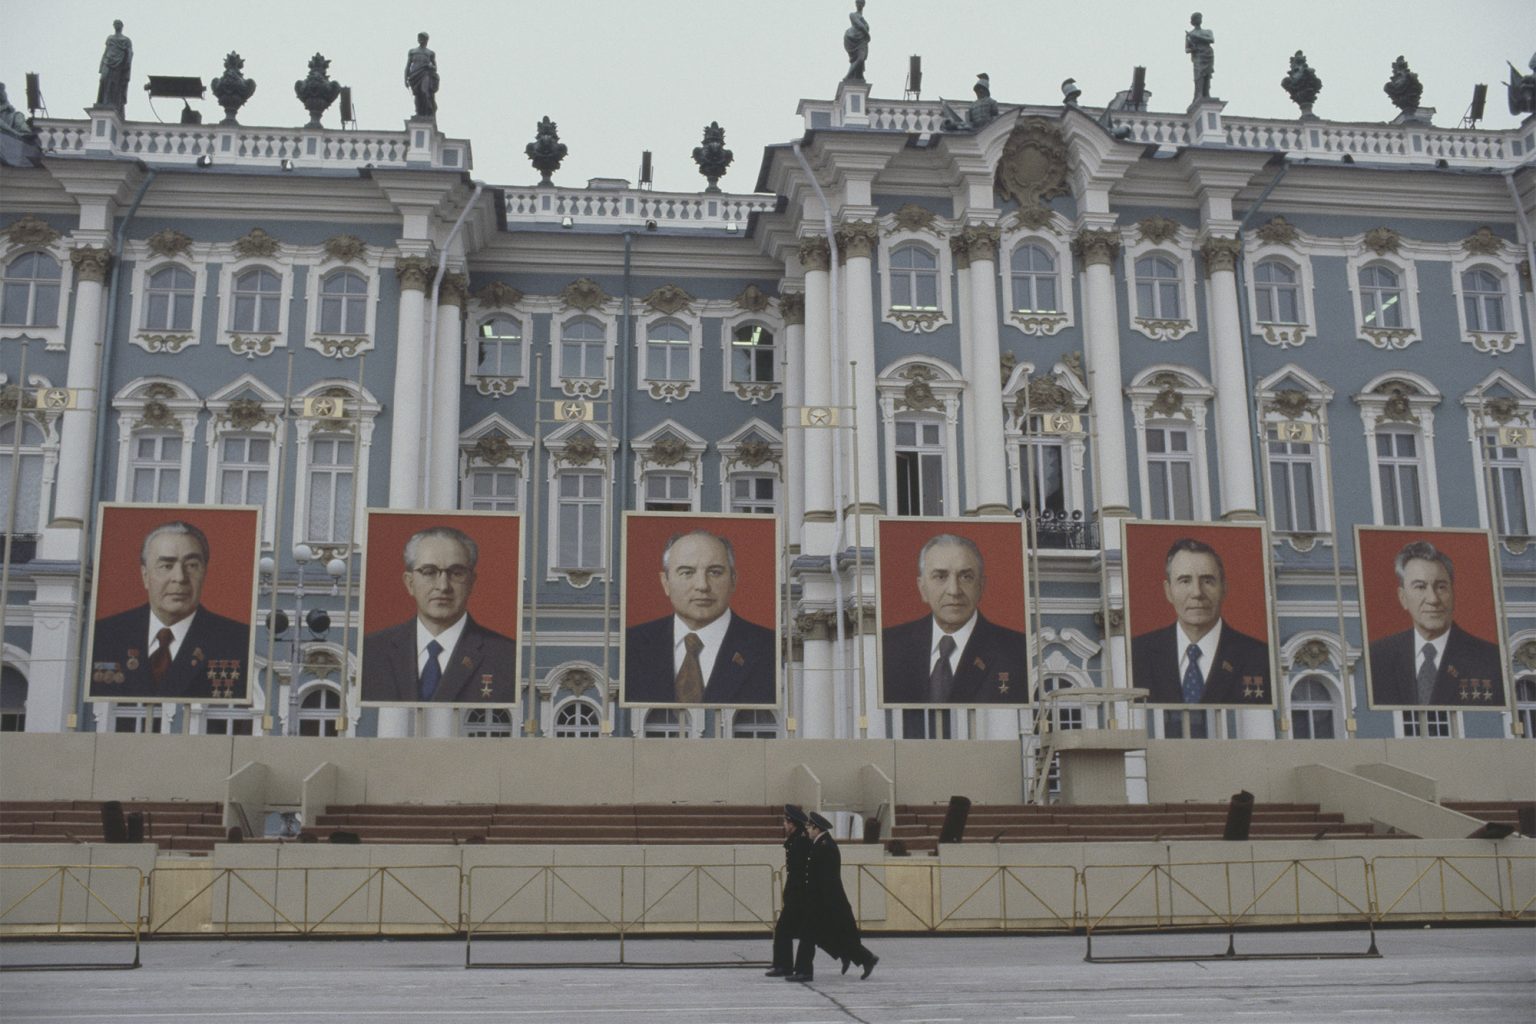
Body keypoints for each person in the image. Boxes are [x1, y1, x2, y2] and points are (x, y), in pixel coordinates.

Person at [90, 521, 250, 701]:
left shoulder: (240, 642)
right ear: (145, 576)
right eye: (166, 566)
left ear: (204, 573)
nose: (180, 578)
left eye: (192, 565)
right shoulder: (103, 635)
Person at [361, 526, 518, 703]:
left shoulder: (508, 658)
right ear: (410, 583)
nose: (443, 586)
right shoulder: (370, 653)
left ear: (471, 583)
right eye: (429, 572)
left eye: (456, 573)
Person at [624, 530, 776, 705]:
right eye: (687, 572)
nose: (702, 585)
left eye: (715, 572)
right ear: (665, 582)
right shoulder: (629, 645)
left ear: (733, 580)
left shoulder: (771, 648)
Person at [881, 534, 1027, 704]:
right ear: (922, 588)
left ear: (981, 586)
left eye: (966, 577)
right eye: (940, 576)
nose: (954, 590)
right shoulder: (888, 647)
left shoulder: (1018, 652)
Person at [1129, 538, 1271, 705]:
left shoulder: (1261, 657)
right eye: (1185, 581)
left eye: (1207, 581)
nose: (1197, 592)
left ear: (1224, 588)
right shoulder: (1136, 654)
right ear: (1168, 591)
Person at [1367, 541, 1505, 706]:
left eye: (1441, 587)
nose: (1433, 599)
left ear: (1453, 593)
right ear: (1403, 597)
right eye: (1420, 587)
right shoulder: (1376, 658)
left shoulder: (1492, 660)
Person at [788, 812, 877, 982]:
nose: (807, 830)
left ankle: (804, 971)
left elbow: (827, 879)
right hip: (821, 900)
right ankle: (866, 958)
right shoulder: (820, 843)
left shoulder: (825, 846)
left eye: (809, 827)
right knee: (824, 935)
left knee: (809, 935)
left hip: (825, 901)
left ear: (817, 828)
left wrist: (819, 902)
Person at [766, 804, 812, 978]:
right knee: (787, 930)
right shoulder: (796, 839)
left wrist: (792, 894)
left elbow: (799, 872)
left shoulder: (800, 842)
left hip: (799, 894)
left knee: (783, 929)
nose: (784, 825)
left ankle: (784, 965)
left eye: (786, 822)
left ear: (792, 823)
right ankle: (783, 964)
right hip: (796, 893)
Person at [96, 20, 133, 111]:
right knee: (103, 79)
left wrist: (127, 64)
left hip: (119, 64)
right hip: (107, 61)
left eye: (119, 24)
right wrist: (101, 65)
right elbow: (106, 51)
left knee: (114, 83)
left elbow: (129, 53)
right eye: (115, 24)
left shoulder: (126, 40)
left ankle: (111, 102)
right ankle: (103, 101)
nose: (117, 26)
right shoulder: (110, 38)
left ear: (122, 26)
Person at [404, 32, 438, 119]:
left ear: (426, 40)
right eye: (419, 38)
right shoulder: (412, 51)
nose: (421, 40)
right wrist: (405, 78)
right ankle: (419, 113)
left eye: (423, 38)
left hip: (425, 73)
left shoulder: (430, 53)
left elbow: (435, 67)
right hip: (414, 75)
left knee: (424, 91)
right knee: (417, 94)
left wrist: (431, 66)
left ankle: (428, 111)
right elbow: (408, 66)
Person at [1185, 12, 1214, 103]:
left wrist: (1196, 37)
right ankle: (1199, 94)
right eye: (1197, 18)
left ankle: (1207, 94)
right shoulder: (1190, 34)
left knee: (1207, 74)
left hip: (1207, 53)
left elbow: (1211, 40)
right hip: (1198, 55)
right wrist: (1193, 49)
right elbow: (1187, 49)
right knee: (1199, 74)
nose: (1199, 20)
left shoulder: (1207, 31)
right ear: (1193, 21)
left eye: (1200, 18)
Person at [843, 0, 870, 82]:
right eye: (858, 3)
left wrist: (866, 35)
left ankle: (858, 75)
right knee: (859, 59)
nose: (859, 4)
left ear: (863, 4)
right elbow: (859, 25)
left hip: (862, 41)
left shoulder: (863, 18)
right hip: (853, 38)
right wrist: (867, 34)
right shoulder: (852, 15)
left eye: (861, 3)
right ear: (856, 4)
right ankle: (848, 76)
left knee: (861, 59)